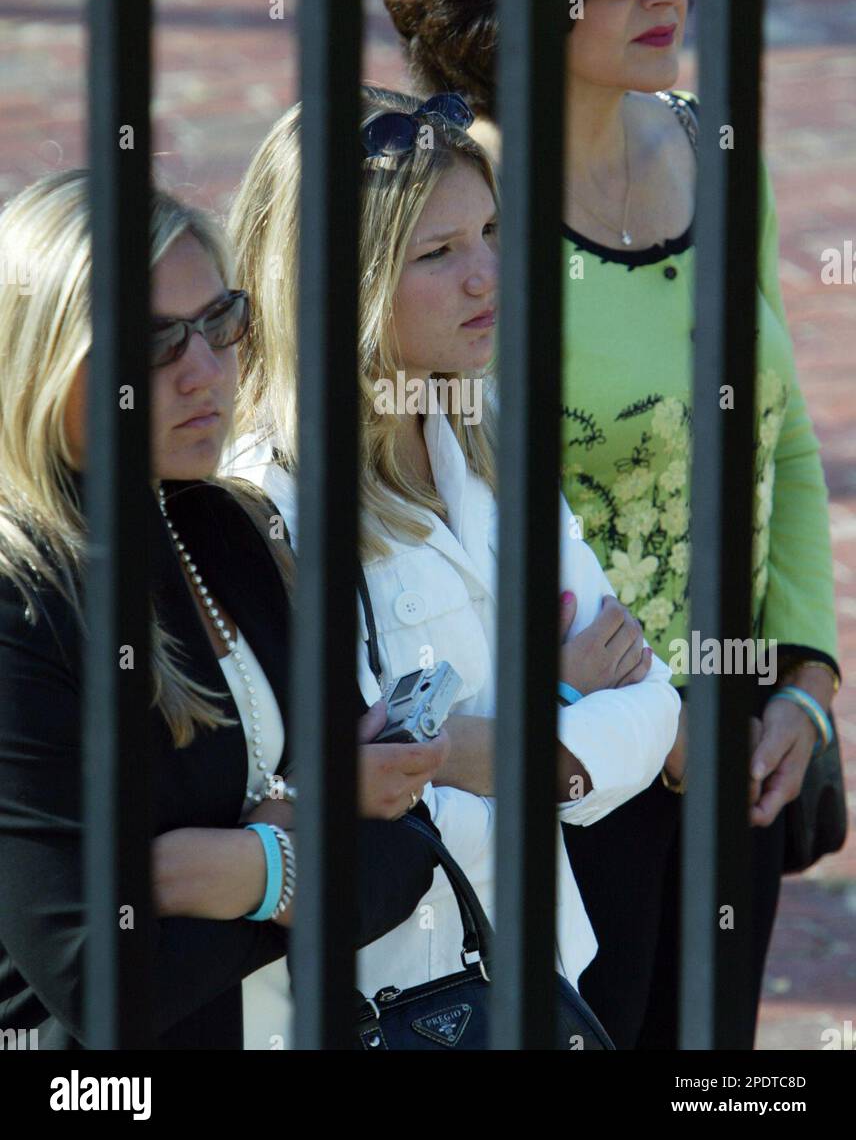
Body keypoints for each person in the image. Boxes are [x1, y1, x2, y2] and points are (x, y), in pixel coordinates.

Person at [370, 0, 842, 1048]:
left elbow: (778, 443)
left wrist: (804, 682)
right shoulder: (447, 227)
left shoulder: (710, 149)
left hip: (738, 762)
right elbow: (416, 517)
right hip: (559, 768)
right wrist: (643, 717)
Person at [221, 84, 681, 1032]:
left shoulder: (484, 432)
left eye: (492, 232)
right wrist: (552, 706)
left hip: (528, 976)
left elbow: (654, 703)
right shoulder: (266, 503)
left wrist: (470, 745)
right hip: (369, 1001)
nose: (490, 277)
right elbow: (353, 802)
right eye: (438, 253)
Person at [0, 169, 447, 1050]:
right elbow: (99, 979)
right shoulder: (20, 607)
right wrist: (297, 856)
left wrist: (240, 865)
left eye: (219, 323)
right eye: (152, 342)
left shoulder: (217, 527)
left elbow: (405, 843)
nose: (204, 371)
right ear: (39, 363)